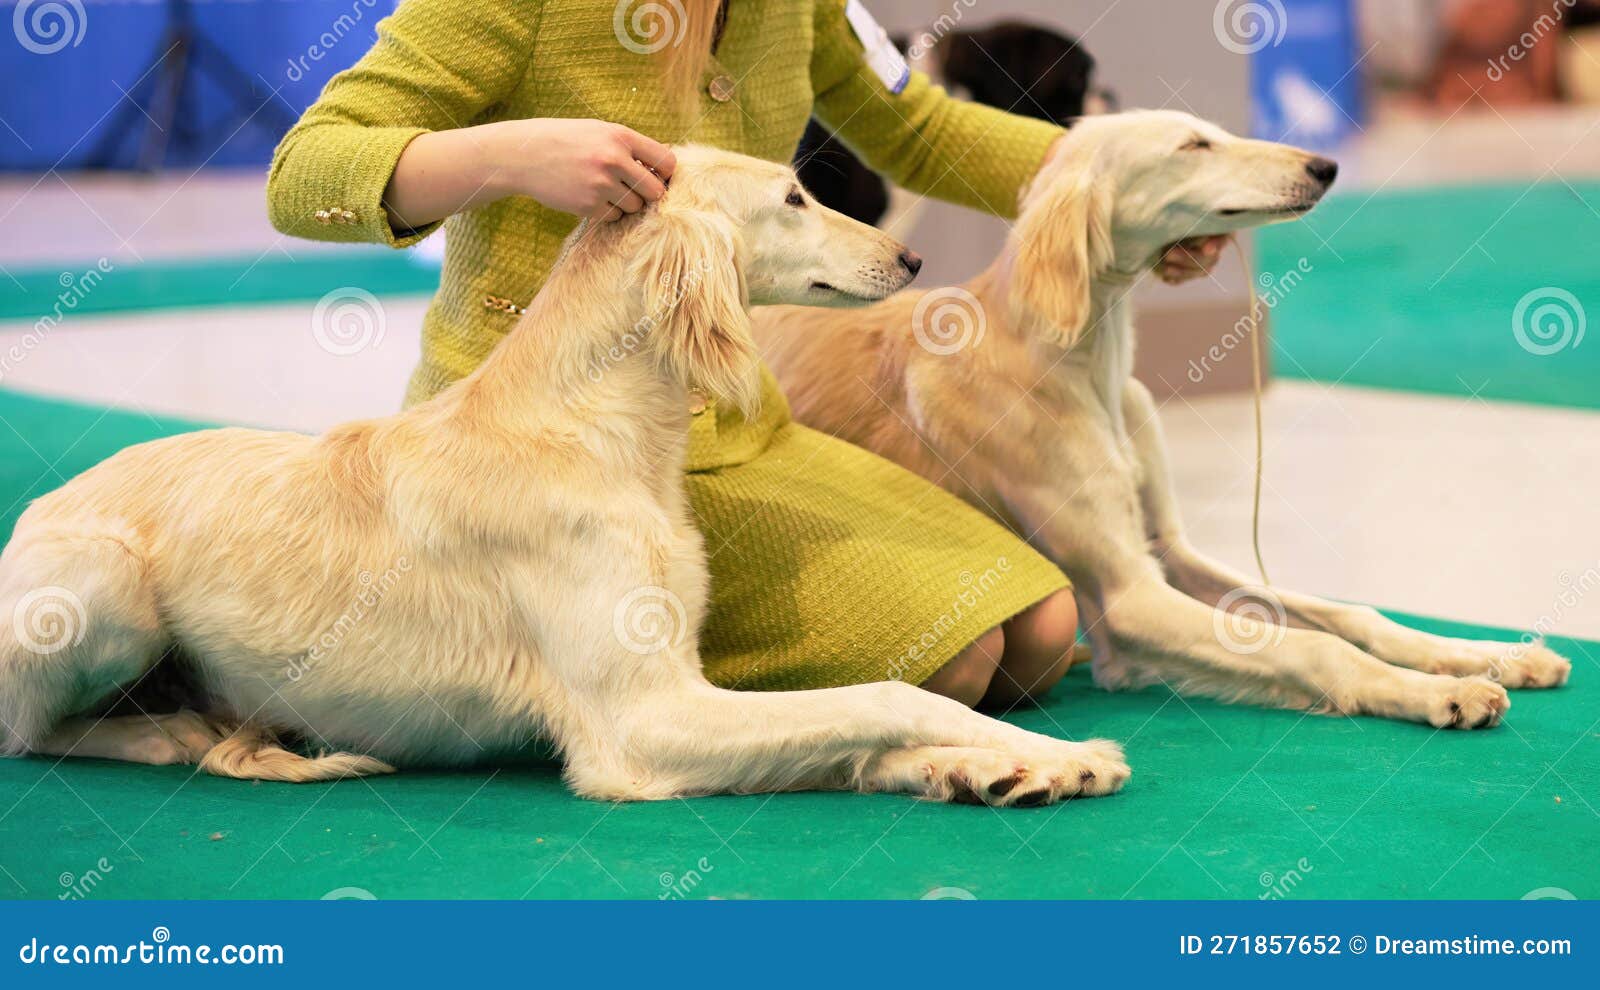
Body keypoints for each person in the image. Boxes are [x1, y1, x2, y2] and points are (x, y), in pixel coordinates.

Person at [267, 0, 1222, 711]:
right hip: (542, 446)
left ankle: (613, 655)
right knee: (964, 660)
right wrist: (510, 155)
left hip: (739, 425)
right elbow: (302, 175)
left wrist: (1128, 188)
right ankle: (574, 659)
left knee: (1046, 635)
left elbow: (921, 131)